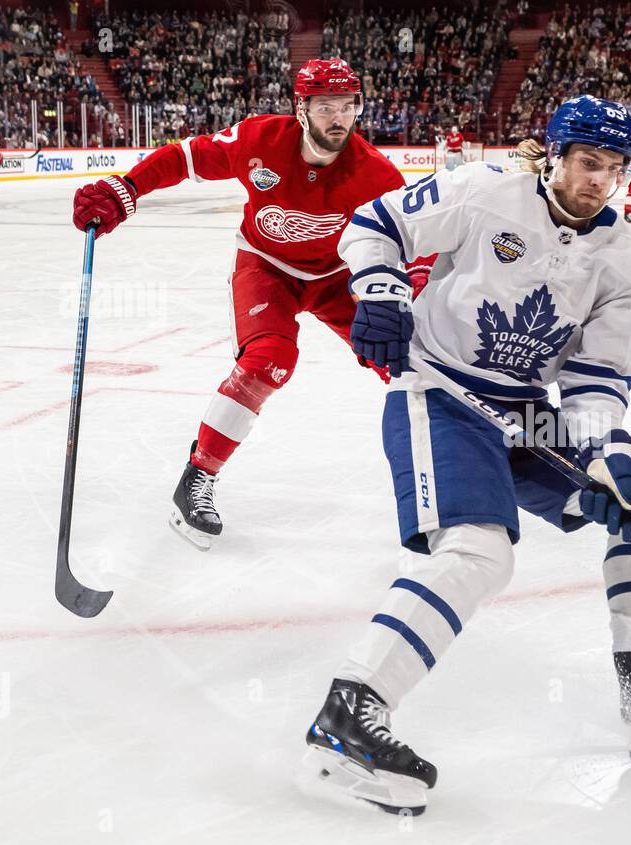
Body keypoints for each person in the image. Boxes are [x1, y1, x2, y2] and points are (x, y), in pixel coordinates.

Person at [303, 95, 631, 815]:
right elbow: (377, 224)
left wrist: (607, 452)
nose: (598, 181)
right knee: (480, 550)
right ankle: (349, 713)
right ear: (554, 156)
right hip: (440, 393)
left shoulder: (629, 261)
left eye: (613, 167)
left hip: (523, 414)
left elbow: (597, 377)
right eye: (586, 163)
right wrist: (382, 293)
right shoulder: (485, 192)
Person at [71, 59, 430, 550]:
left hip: (336, 277)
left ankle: (450, 478)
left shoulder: (376, 174)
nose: (339, 118)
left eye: (349, 106)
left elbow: (417, 236)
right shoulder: (260, 140)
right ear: (300, 108)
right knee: (269, 362)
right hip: (266, 267)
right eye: (326, 106)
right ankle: (198, 476)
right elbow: (185, 158)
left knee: (408, 364)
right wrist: (127, 187)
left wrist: (412, 284)